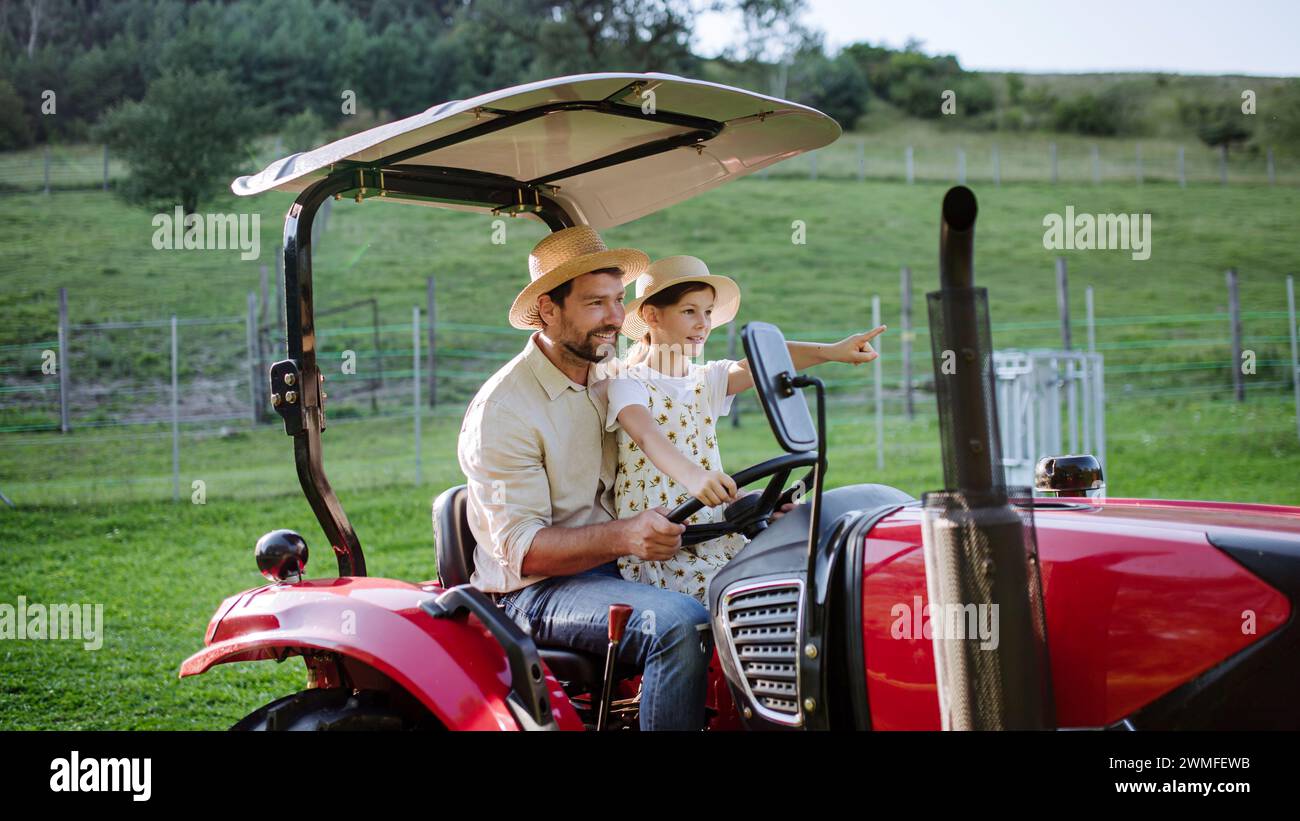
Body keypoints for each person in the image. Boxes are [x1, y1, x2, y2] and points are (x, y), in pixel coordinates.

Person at [456, 226, 713, 731]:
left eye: (619, 301)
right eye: (597, 304)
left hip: (615, 564)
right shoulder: (505, 411)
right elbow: (522, 551)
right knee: (680, 624)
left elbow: (694, 410)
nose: (617, 319)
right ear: (548, 310)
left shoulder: (612, 378)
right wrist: (627, 535)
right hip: (536, 591)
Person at [607, 255, 887, 603]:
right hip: (665, 545)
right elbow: (648, 436)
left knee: (814, 578)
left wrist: (830, 352)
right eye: (689, 311)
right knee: (755, 598)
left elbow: (763, 361)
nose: (703, 323)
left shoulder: (705, 379)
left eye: (708, 312)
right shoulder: (628, 382)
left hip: (718, 534)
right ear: (652, 315)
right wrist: (695, 477)